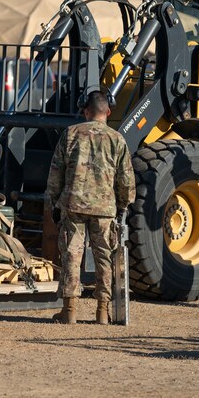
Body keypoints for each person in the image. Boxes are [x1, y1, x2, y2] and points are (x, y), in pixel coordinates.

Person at [45, 91, 135, 325]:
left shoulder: (71, 134)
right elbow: (125, 180)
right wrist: (123, 205)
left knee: (72, 257)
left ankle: (69, 310)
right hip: (105, 209)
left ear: (86, 111)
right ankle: (102, 312)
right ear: (108, 112)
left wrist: (53, 203)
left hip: (73, 205)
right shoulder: (117, 140)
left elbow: (56, 173)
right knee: (104, 258)